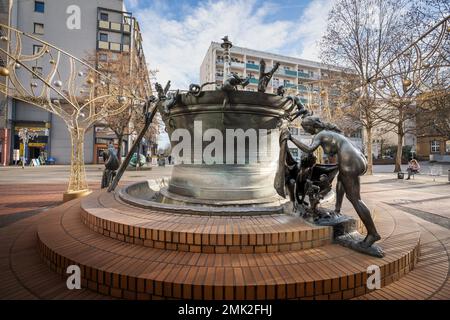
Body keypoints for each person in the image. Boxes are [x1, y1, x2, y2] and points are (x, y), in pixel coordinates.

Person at [280, 115, 381, 248]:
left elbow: (309, 149)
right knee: (340, 179)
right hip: (357, 157)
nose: (306, 131)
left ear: (312, 126)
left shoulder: (320, 134)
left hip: (350, 159)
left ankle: (372, 233)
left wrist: (291, 138)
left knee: (354, 198)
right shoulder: (330, 132)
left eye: (306, 129)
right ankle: (337, 209)